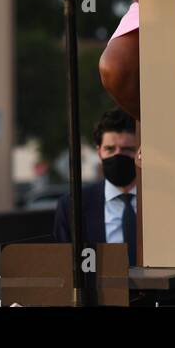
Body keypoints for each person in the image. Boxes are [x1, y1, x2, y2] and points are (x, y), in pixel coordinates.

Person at [52, 110, 139, 265]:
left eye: (127, 150)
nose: (117, 156)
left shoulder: (162, 202)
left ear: (139, 151)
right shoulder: (73, 206)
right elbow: (64, 268)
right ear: (99, 151)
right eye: (110, 149)